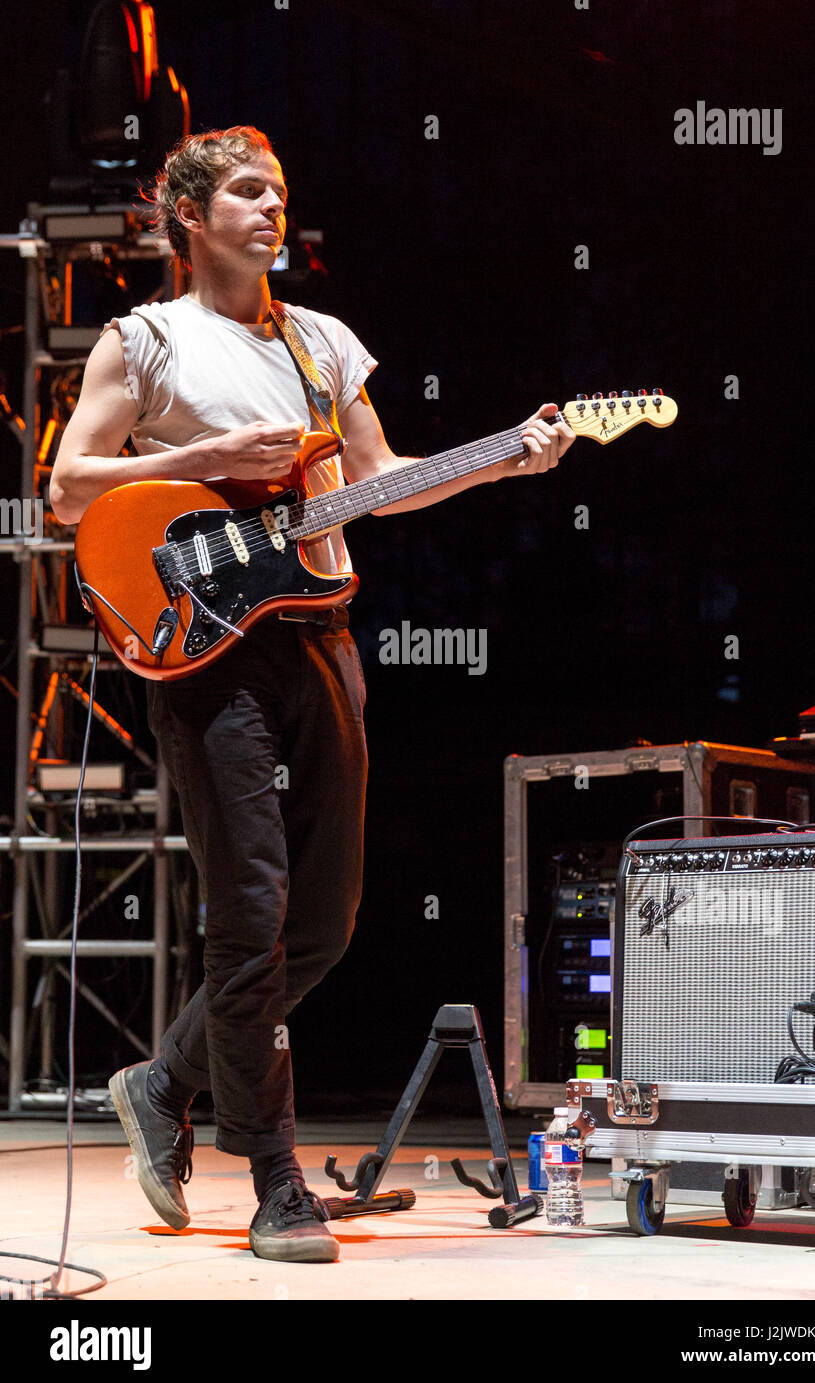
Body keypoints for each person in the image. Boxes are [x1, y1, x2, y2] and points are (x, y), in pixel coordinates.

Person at [49, 126, 575, 1263]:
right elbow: (67, 485)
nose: (269, 208)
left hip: (322, 632)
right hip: (207, 649)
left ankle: (161, 1080)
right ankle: (275, 1177)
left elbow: (375, 486)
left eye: (279, 191)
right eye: (245, 191)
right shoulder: (145, 340)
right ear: (185, 215)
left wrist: (499, 455)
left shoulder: (324, 341)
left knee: (323, 918)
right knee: (248, 910)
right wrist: (201, 462)